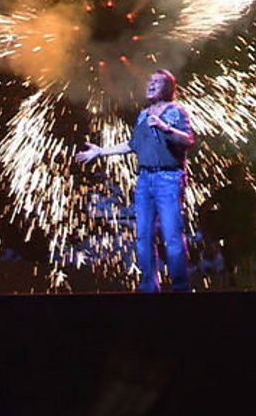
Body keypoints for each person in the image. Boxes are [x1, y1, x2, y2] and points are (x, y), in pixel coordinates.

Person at [75, 70, 196, 292]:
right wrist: (101, 152)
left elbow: (188, 139)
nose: (150, 85)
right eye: (149, 81)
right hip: (145, 180)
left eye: (156, 82)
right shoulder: (143, 115)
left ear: (168, 88)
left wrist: (165, 127)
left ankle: (180, 287)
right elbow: (132, 145)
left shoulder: (176, 112)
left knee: (172, 235)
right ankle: (149, 285)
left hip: (168, 178)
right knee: (143, 236)